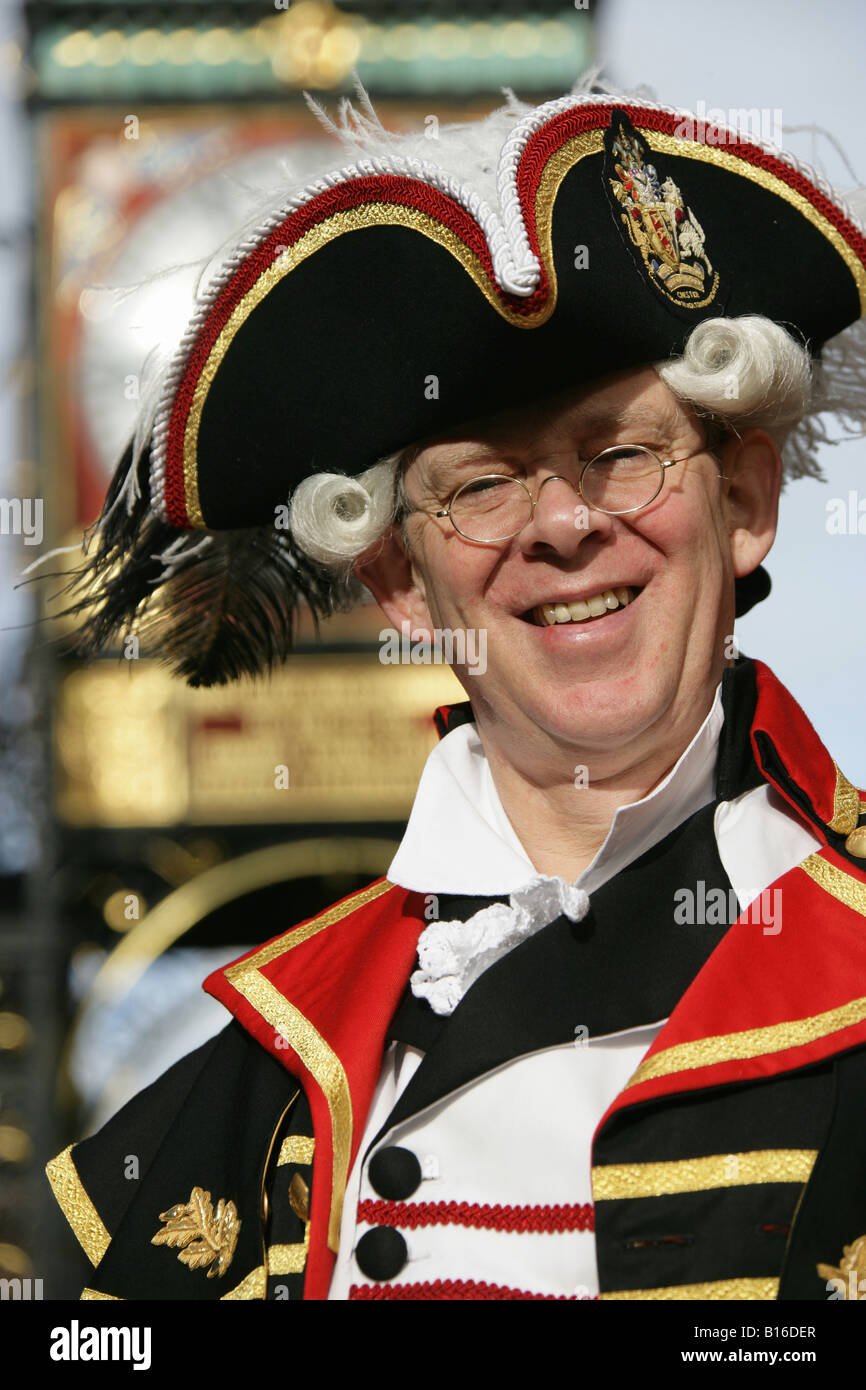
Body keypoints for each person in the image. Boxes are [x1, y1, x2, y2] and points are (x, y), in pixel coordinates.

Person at [45, 80, 866, 1302]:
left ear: (742, 502)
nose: (561, 528)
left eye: (619, 452)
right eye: (479, 486)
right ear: (401, 586)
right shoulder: (230, 1101)